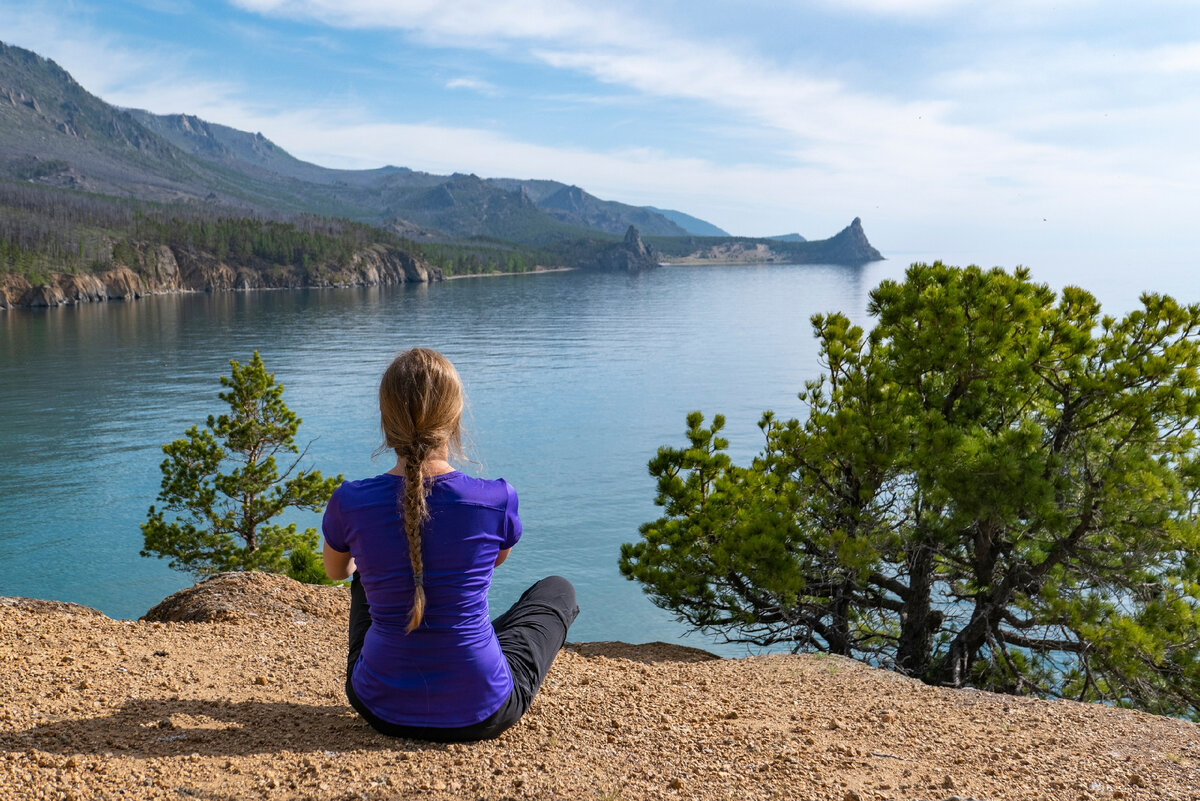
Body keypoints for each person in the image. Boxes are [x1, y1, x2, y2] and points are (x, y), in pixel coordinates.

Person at [321, 347, 579, 742]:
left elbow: (336, 572)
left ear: (386, 422)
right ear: (454, 419)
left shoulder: (349, 501)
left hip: (379, 707)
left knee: (361, 579)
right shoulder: (496, 498)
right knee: (558, 590)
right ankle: (461, 653)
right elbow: (493, 561)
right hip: (481, 708)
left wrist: (373, 559)